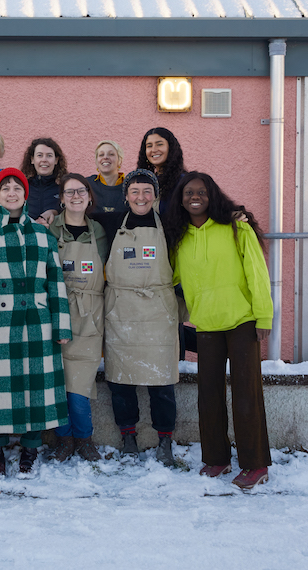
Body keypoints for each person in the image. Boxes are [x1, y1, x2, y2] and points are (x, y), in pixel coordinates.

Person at [0, 168, 71, 480]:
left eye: (16, 188)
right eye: (4, 187)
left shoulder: (41, 234)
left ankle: (30, 448)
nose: (11, 193)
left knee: (35, 389)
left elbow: (55, 282)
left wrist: (61, 327)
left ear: (25, 193)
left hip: (36, 322)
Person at [165, 171, 273, 490]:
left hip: (242, 322)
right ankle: (217, 459)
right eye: (188, 193)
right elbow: (170, 277)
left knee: (246, 396)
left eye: (201, 192)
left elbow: (257, 273)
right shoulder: (179, 235)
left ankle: (255, 465)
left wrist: (263, 317)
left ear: (212, 195)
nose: (194, 197)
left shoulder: (236, 227)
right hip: (206, 325)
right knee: (208, 396)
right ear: (180, 199)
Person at [99, 169, 180, 466]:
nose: (141, 197)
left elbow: (206, 219)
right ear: (126, 196)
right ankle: (128, 437)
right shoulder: (109, 223)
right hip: (122, 310)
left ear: (156, 195)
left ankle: (165, 440)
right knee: (121, 381)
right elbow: (73, 219)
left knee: (162, 382)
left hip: (158, 310)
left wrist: (237, 213)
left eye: (147, 191)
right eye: (135, 191)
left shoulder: (170, 226)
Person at [46, 174, 108, 462]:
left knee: (80, 386)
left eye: (80, 191)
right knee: (57, 383)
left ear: (89, 196)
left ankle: (84, 439)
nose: (75, 196)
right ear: (60, 198)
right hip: (55, 313)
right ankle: (63, 440)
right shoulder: (49, 229)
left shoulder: (100, 232)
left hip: (89, 316)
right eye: (69, 192)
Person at [136, 127, 187, 215]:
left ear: (170, 148)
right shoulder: (146, 181)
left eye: (159, 144)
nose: (154, 150)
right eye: (149, 146)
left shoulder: (183, 181)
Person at [20, 137, 67, 221]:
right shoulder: (21, 187)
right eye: (39, 155)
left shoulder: (64, 187)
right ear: (32, 160)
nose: (44, 160)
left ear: (56, 160)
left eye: (49, 155)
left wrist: (55, 212)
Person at [87, 140, 126, 213]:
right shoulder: (87, 184)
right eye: (101, 155)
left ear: (120, 160)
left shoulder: (129, 186)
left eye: (111, 154)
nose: (105, 157)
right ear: (96, 161)